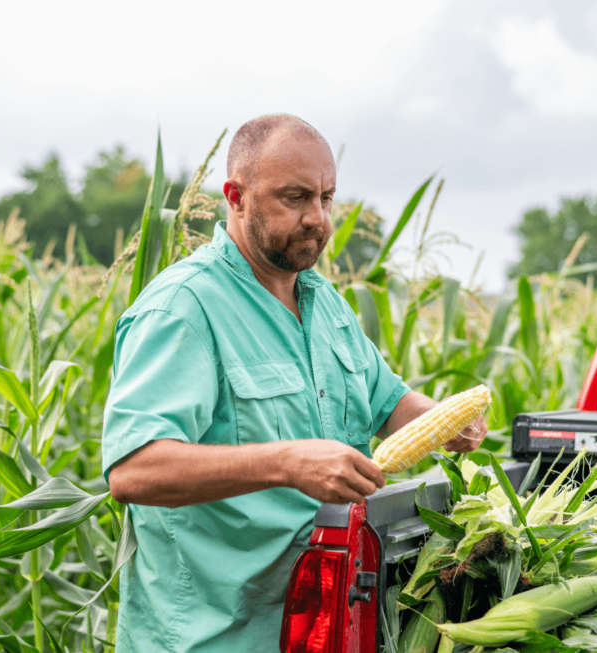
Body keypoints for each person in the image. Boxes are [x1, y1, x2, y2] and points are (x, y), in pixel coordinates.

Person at [101, 114, 488, 652]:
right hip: (216, 637)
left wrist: (441, 419)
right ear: (235, 196)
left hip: (328, 625)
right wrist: (287, 463)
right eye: (295, 197)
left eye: (327, 198)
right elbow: (134, 470)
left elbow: (388, 401)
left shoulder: (324, 303)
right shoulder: (183, 310)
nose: (317, 218)